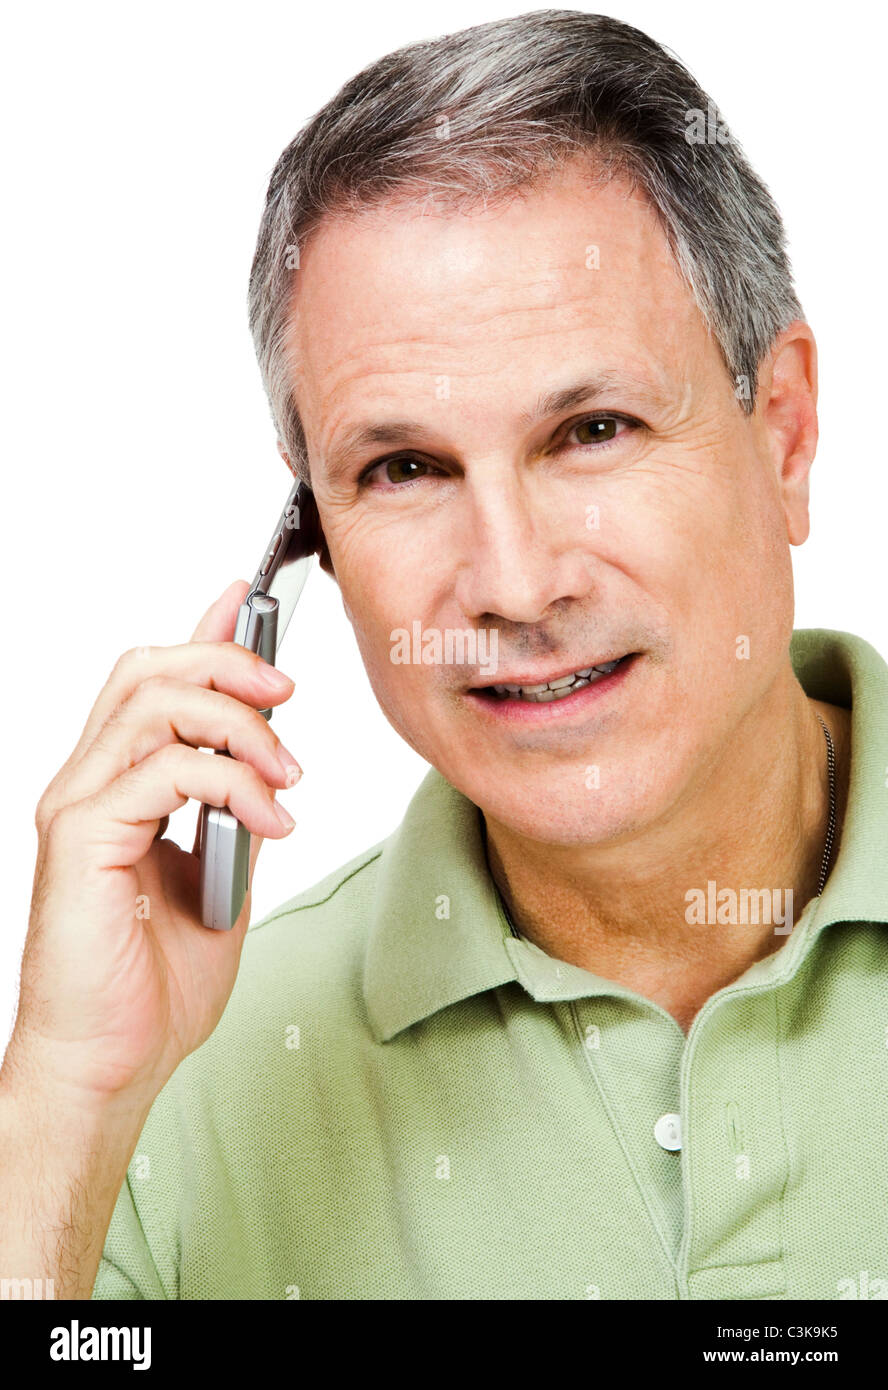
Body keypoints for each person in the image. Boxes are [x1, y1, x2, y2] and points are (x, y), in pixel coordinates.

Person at [3, 11, 885, 1301]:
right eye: (404, 467)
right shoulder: (172, 1070)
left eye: (593, 429)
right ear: (317, 537)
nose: (517, 583)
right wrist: (67, 1105)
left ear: (788, 437)